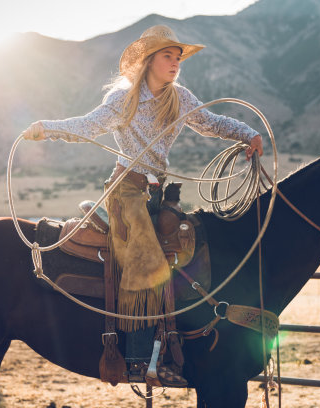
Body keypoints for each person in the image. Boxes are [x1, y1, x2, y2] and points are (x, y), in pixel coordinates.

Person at [22, 24, 263, 387]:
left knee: (189, 246)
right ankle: (138, 360)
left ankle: (183, 340)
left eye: (178, 57)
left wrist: (248, 134)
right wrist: (46, 128)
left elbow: (210, 123)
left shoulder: (179, 98)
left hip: (159, 192)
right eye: (168, 55)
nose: (175, 62)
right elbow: (88, 126)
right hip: (126, 190)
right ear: (150, 60)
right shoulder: (124, 99)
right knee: (146, 262)